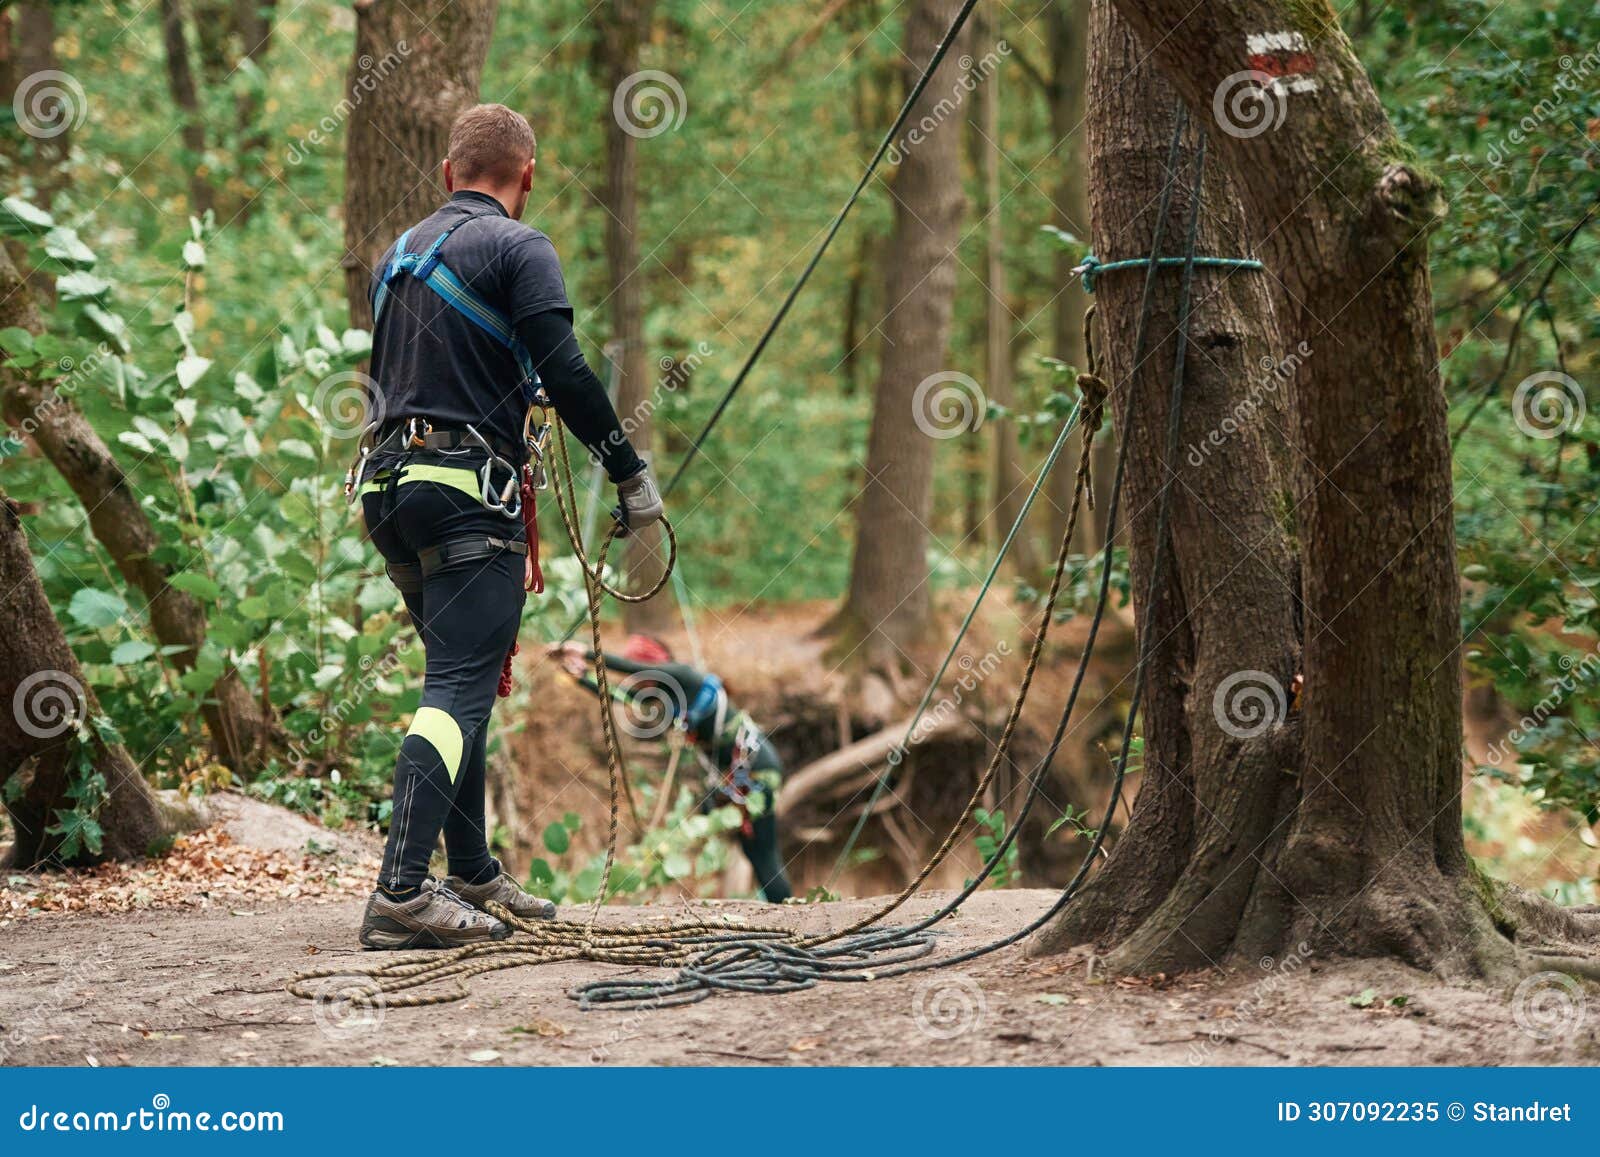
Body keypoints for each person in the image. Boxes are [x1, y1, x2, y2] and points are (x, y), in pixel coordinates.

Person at [352, 104, 664, 950]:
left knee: (463, 678)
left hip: (389, 490)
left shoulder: (399, 257)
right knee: (456, 686)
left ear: (450, 173)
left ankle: (473, 870)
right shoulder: (521, 247)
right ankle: (401, 893)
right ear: (528, 175)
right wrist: (627, 471)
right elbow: (564, 369)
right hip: (465, 494)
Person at [551, 634, 793, 903]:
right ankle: (779, 905)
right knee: (754, 849)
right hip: (739, 776)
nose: (641, 683)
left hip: (760, 770)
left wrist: (584, 651)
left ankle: (788, 910)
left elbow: (635, 669)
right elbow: (621, 696)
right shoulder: (669, 700)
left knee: (764, 848)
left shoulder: (685, 676)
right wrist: (581, 676)